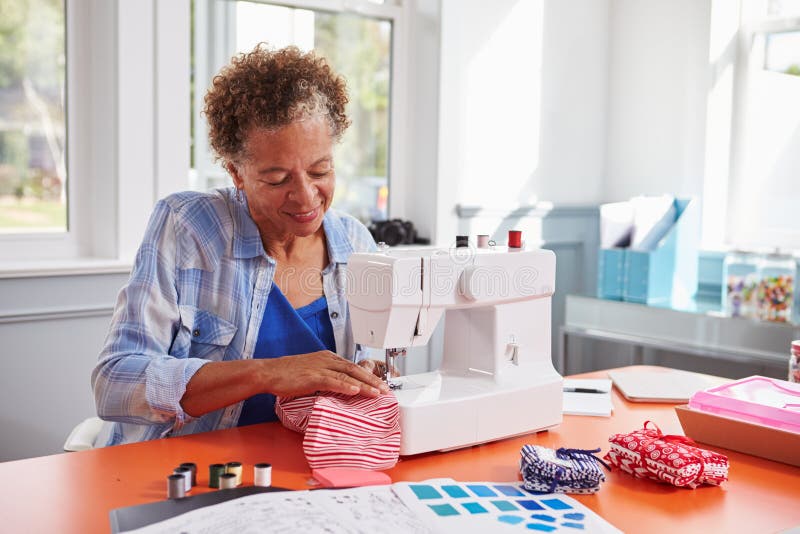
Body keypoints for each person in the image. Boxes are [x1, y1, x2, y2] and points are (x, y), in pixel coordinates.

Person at [91, 44, 389, 445]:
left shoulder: (355, 244)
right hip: (188, 470)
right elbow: (115, 382)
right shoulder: (187, 228)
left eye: (321, 170)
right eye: (277, 179)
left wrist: (372, 379)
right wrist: (265, 374)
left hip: (308, 472)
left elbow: (371, 368)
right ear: (236, 172)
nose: (305, 197)